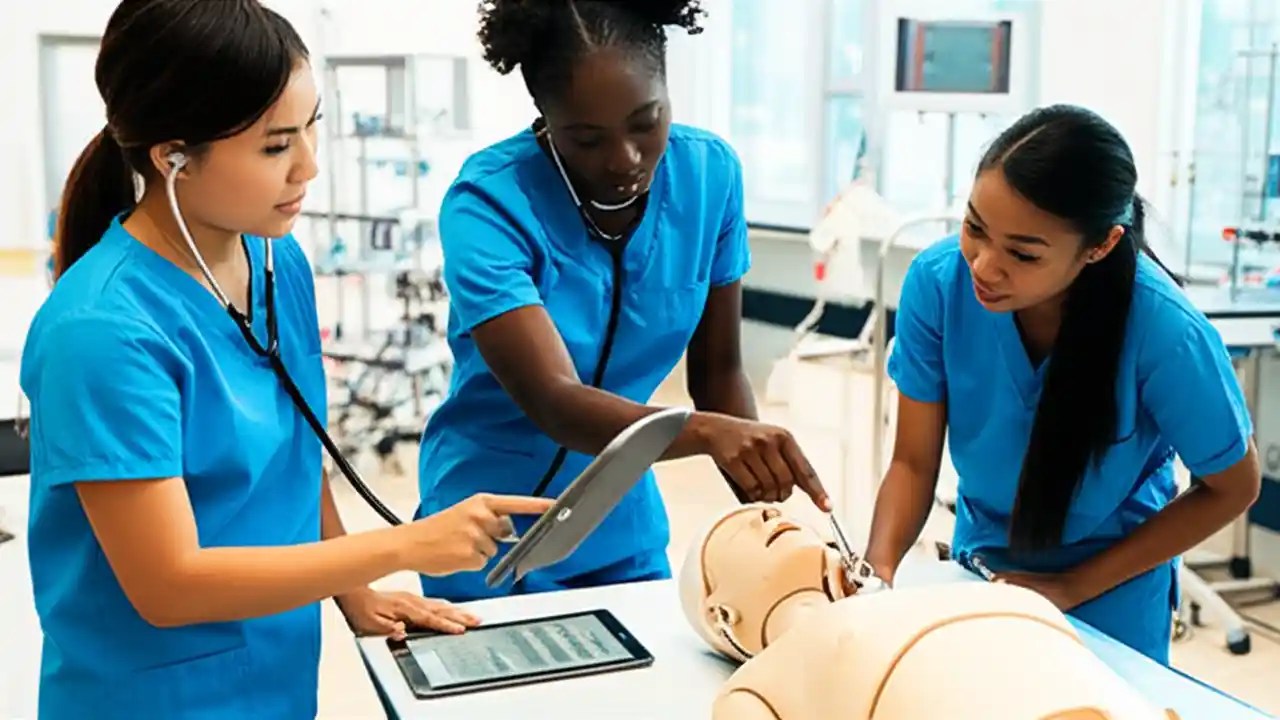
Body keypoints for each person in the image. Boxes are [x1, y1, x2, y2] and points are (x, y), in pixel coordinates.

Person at [21, 2, 551, 718]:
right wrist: (401, 548)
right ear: (171, 155)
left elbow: (295, 459)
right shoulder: (101, 331)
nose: (309, 165)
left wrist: (356, 594)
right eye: (275, 146)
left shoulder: (276, 262)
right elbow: (168, 583)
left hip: (273, 679)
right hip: (152, 695)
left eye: (312, 127)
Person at [417, 0, 830, 601]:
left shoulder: (708, 175)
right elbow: (554, 401)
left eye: (646, 122)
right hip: (485, 516)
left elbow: (718, 373)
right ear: (542, 109)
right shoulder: (487, 204)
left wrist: (761, 493)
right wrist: (709, 432)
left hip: (618, 514)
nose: (625, 160)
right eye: (587, 139)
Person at [864, 104, 1261, 665]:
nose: (983, 265)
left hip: (1112, 592)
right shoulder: (938, 284)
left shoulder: (1165, 332)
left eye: (1022, 253)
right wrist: (874, 574)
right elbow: (911, 462)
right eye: (975, 227)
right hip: (984, 573)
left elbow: (1234, 485)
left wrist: (1073, 586)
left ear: (1098, 247)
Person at [677, 504, 1178, 720]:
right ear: (722, 615)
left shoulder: (945, 593)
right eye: (741, 526)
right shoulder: (761, 681)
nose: (770, 512)